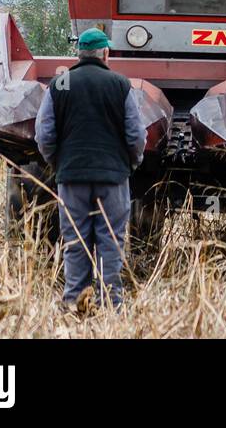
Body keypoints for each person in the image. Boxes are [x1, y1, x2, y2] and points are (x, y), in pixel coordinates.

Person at [34, 28, 146, 309]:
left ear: (79, 53)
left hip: (72, 179)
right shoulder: (120, 84)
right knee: (111, 242)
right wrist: (130, 163)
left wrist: (58, 164)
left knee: (75, 240)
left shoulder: (60, 83)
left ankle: (75, 301)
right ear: (105, 53)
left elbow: (44, 134)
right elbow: (136, 135)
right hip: (113, 179)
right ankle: (111, 304)